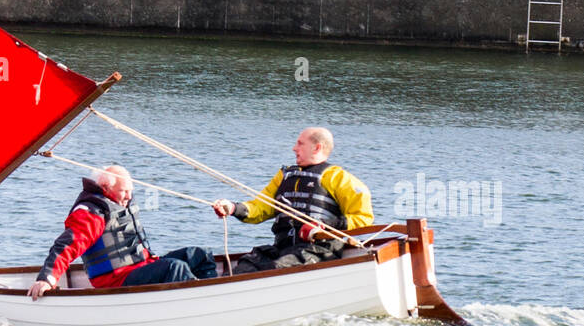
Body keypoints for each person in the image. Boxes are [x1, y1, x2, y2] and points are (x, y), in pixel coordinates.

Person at [28, 166, 217, 299]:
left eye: (130, 190)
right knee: (174, 267)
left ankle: (214, 294)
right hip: (116, 279)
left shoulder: (120, 202)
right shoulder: (91, 213)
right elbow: (66, 246)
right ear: (106, 188)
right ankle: (201, 304)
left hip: (140, 266)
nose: (129, 196)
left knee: (200, 254)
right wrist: (47, 278)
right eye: (124, 191)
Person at [211, 127, 372, 274]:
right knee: (244, 266)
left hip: (318, 250)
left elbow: (363, 218)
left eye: (300, 144)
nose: (294, 148)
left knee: (276, 268)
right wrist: (232, 208)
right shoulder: (284, 176)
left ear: (317, 147)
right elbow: (259, 207)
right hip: (282, 249)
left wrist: (324, 226)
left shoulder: (338, 178)